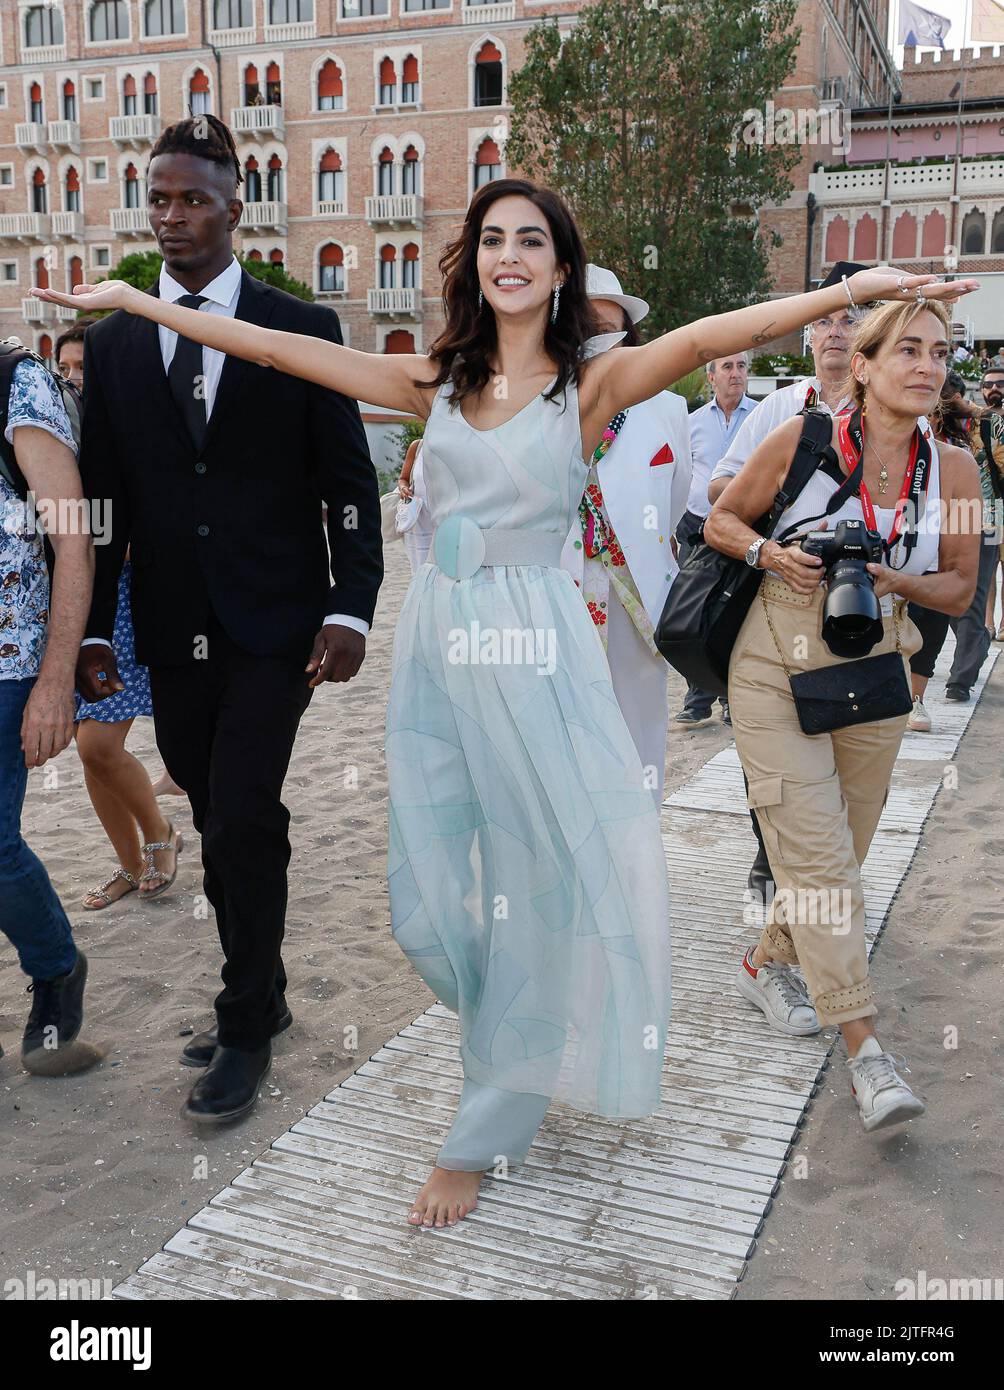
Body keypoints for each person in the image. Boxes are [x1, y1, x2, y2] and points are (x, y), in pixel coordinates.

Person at [34, 179, 974, 1214]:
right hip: (438, 660)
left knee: (529, 889)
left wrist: (855, 290)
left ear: (560, 267)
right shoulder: (433, 379)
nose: (510, 254)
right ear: (474, 262)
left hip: (537, 658)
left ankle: (488, 1111)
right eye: (491, 239)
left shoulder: (595, 382)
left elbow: (714, 331)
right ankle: (519, 1044)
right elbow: (272, 351)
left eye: (532, 239)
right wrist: (142, 306)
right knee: (424, 907)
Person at [55, 116, 384, 1124]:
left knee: (242, 810)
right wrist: (96, 631)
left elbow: (346, 480)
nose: (174, 215)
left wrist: (349, 604)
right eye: (159, 197)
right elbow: (100, 495)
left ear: (237, 207)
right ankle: (269, 988)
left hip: (277, 624)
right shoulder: (111, 345)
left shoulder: (303, 330)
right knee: (210, 806)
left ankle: (244, 1022)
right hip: (166, 625)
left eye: (195, 197)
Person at [704, 296, 980, 1133]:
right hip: (773, 657)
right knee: (817, 851)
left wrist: (894, 580)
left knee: (842, 850)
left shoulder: (958, 471)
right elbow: (718, 519)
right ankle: (865, 1050)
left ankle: (763, 961)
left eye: (939, 352)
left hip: (878, 660)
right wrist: (767, 551)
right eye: (908, 350)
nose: (928, 366)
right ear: (860, 365)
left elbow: (963, 586)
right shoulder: (802, 440)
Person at [53, 325, 186, 909]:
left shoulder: (125, 424)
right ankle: (131, 865)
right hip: (69, 600)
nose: (75, 378)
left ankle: (159, 835)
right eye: (67, 368)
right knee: (90, 748)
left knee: (95, 745)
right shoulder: (52, 429)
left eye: (85, 367)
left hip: (126, 600)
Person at [0, 341, 101, 1075]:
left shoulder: (18, 382)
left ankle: (56, 967)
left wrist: (55, 678)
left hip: (7, 662)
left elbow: (74, 539)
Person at [560, 263, 692, 804]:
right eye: (589, 328)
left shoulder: (667, 407)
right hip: (558, 584)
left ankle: (640, 843)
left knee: (639, 717)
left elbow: (678, 494)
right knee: (567, 716)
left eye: (613, 330)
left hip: (637, 588)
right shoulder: (544, 397)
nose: (602, 341)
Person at [906, 371, 999, 731]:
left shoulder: (967, 443)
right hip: (912, 536)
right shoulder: (898, 440)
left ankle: (949, 684)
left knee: (961, 605)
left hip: (978, 522)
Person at [673, 352, 756, 727]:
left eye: (741, 367)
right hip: (696, 528)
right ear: (711, 378)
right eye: (727, 367)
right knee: (695, 612)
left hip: (744, 529)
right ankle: (698, 697)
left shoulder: (762, 418)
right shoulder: (689, 425)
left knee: (736, 611)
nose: (735, 374)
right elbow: (676, 476)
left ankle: (731, 698)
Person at [396, 436, 434, 574]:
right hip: (419, 521)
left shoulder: (457, 447)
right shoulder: (418, 446)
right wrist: (403, 488)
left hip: (447, 520)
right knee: (419, 571)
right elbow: (403, 479)